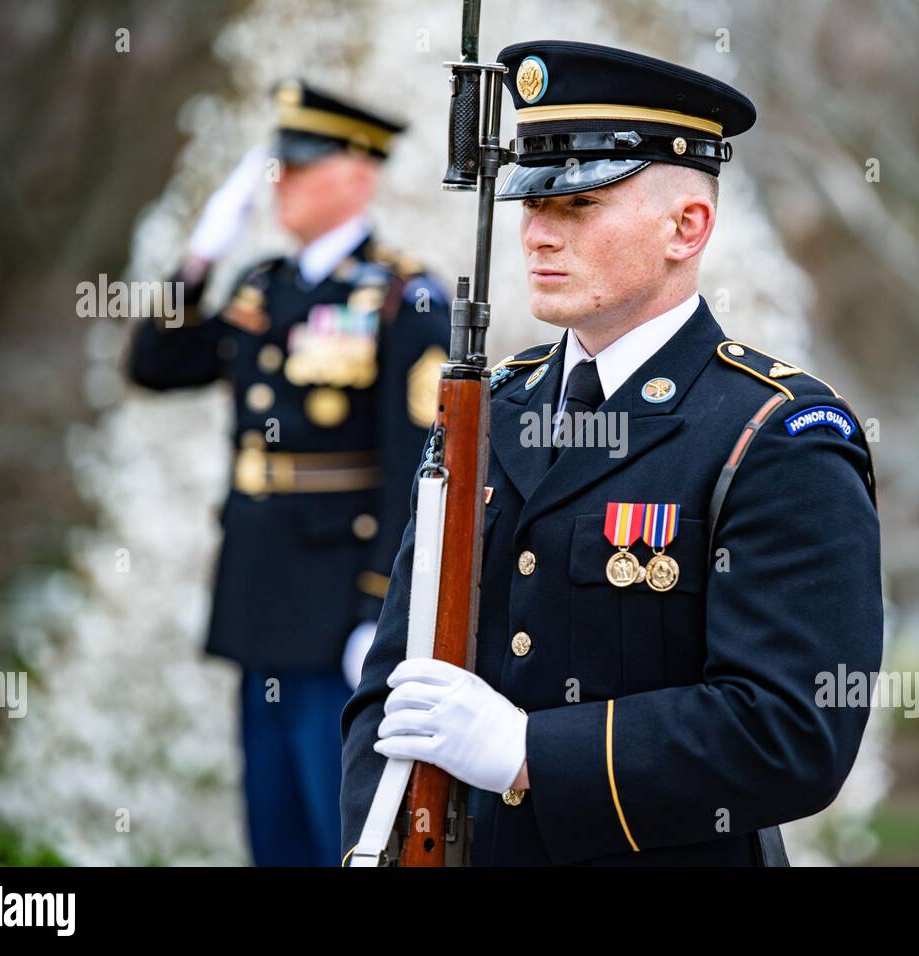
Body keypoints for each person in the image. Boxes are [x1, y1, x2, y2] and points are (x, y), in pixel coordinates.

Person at [339, 40, 882, 866]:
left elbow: (792, 731)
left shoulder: (773, 434)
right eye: (531, 204)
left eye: (578, 206)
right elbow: (391, 693)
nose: (538, 236)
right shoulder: (489, 410)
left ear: (686, 227)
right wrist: (373, 849)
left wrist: (532, 752)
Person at [127, 79, 451, 866]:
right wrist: (200, 256)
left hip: (339, 601)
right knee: (270, 831)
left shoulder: (403, 297)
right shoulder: (260, 286)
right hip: (258, 590)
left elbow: (417, 466)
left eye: (300, 167)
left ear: (357, 172)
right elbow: (154, 364)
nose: (282, 185)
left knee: (335, 828)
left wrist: (383, 611)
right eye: (279, 167)